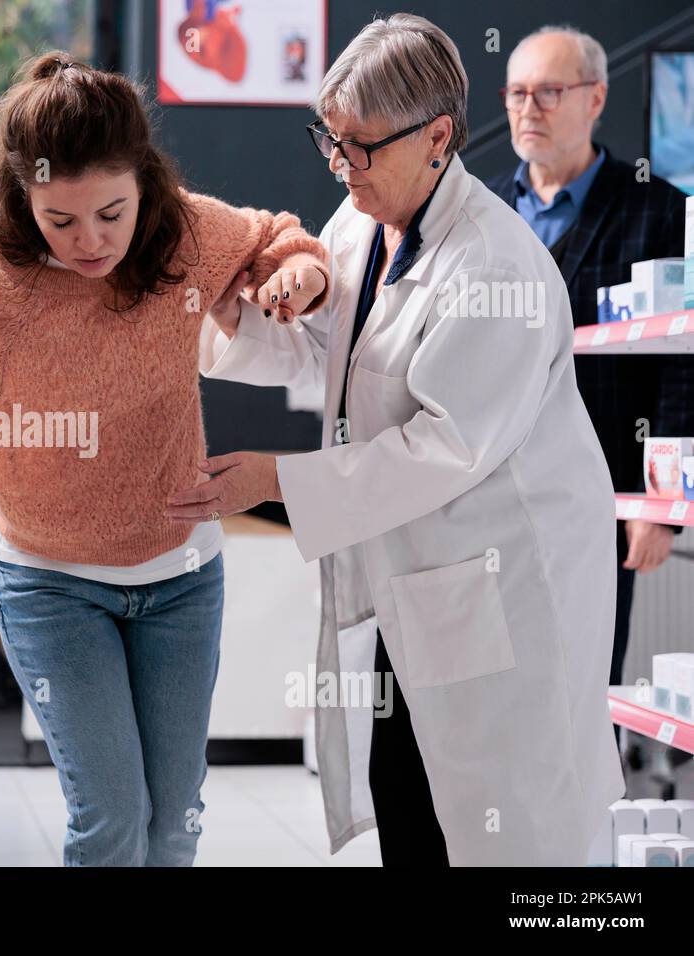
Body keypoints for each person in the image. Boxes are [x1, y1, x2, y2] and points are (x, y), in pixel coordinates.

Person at [0, 52, 329, 866]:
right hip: (52, 584)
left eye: (112, 213)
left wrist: (300, 269)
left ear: (145, 183)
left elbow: (266, 236)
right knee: (112, 818)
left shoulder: (180, 232)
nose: (91, 241)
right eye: (61, 219)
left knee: (175, 819)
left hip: (184, 576)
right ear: (23, 197)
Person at [180, 13, 622, 865]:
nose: (341, 167)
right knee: (407, 796)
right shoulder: (361, 225)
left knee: (504, 823)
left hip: (501, 582)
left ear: (438, 137)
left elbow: (441, 451)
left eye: (359, 147)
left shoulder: (495, 266)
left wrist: (277, 480)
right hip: (413, 582)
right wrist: (228, 310)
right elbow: (321, 358)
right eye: (330, 142)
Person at [486, 25, 694, 694]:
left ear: (596, 98)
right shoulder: (483, 214)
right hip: (491, 491)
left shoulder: (657, 210)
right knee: (489, 685)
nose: (528, 109)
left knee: (581, 684)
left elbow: (681, 368)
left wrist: (659, 502)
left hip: (600, 492)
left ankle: (577, 805)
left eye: (549, 92)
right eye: (517, 93)